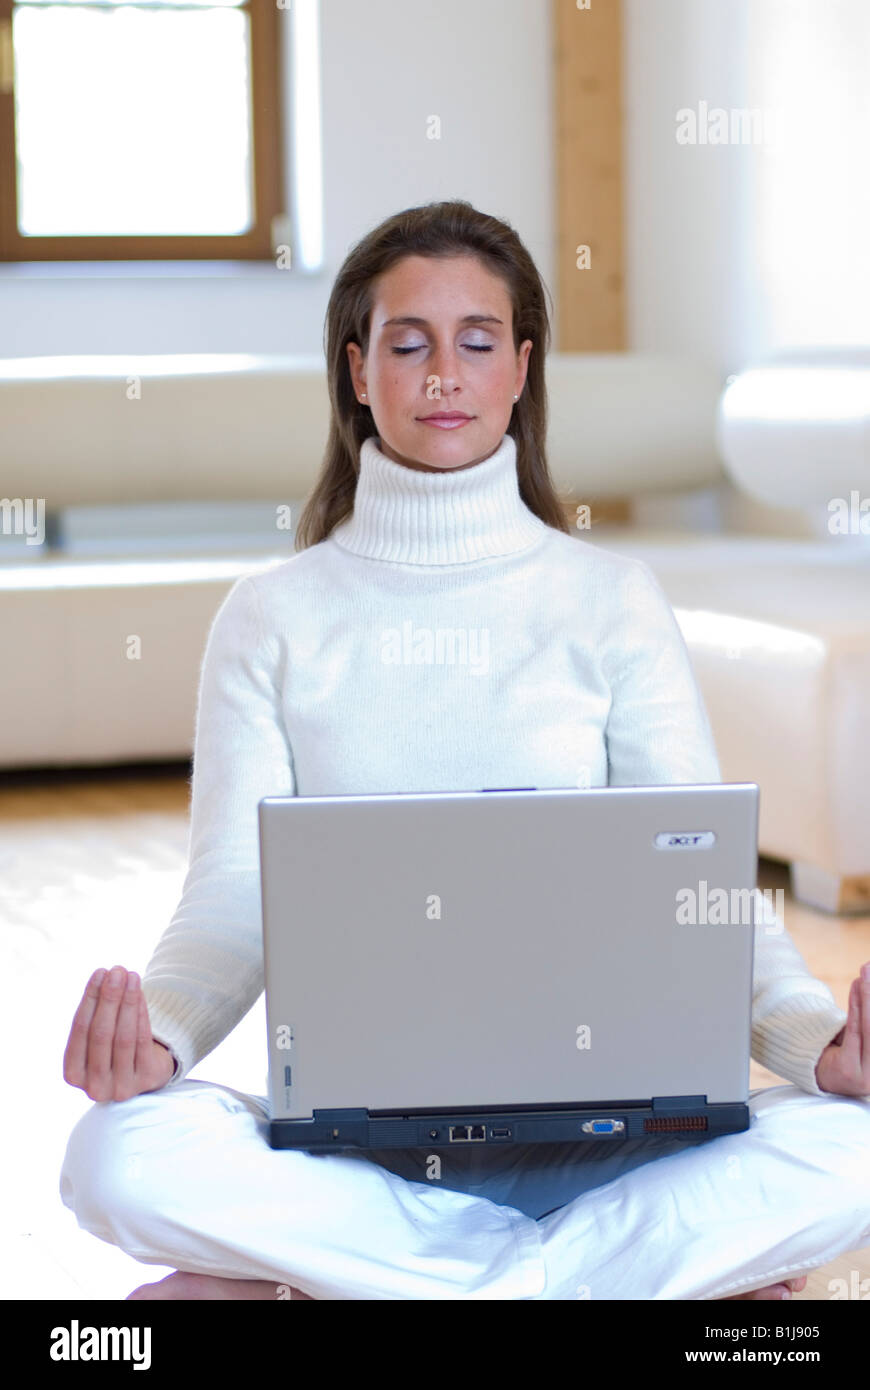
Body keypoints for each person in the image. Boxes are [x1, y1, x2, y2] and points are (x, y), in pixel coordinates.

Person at [59, 201, 870, 1302]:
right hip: (370, 1163)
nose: (445, 372)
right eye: (409, 343)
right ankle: (586, 1285)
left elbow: (709, 889)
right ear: (358, 371)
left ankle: (397, 1288)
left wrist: (819, 1044)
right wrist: (156, 1033)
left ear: (521, 369)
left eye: (477, 342)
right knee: (115, 1157)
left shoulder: (611, 601)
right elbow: (233, 899)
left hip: (617, 1153)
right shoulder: (272, 616)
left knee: (853, 1145)